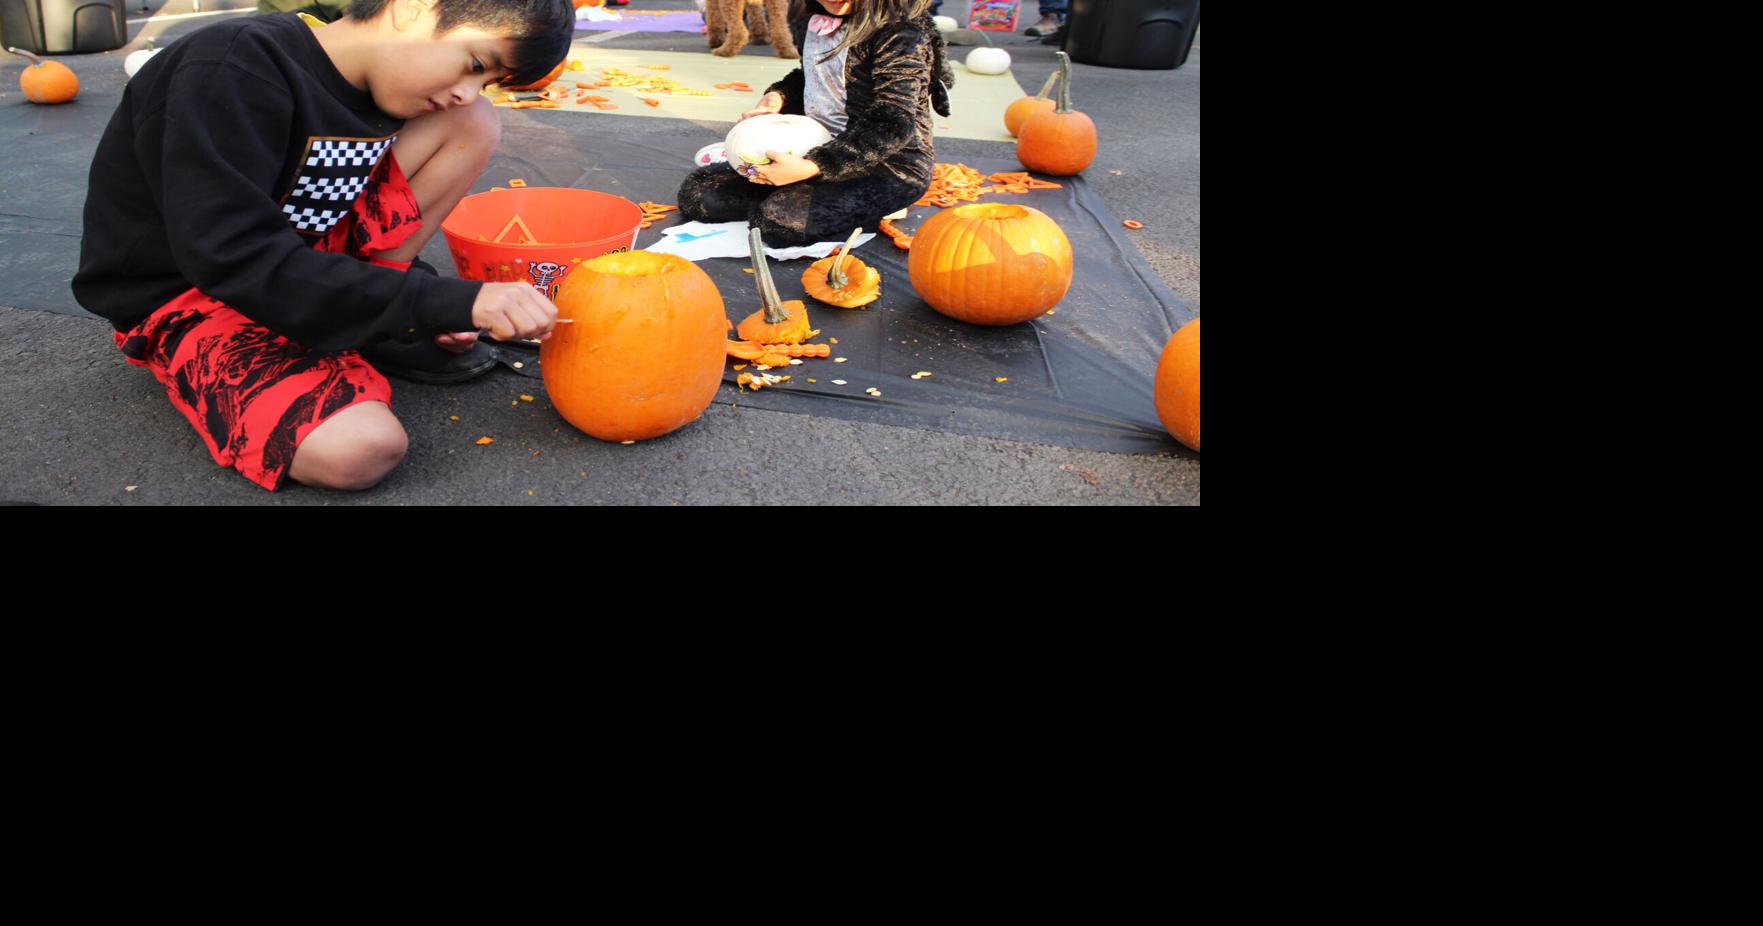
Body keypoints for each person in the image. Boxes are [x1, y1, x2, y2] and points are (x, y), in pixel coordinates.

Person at [72, 0, 574, 493]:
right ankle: (351, 318)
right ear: (412, 7)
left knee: (473, 123)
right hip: (198, 295)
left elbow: (325, 220)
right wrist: (441, 301)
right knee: (360, 449)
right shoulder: (231, 67)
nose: (467, 92)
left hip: (299, 266)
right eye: (477, 64)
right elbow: (232, 258)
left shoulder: (396, 90)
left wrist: (419, 305)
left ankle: (373, 319)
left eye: (486, 82)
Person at [676, 0, 953, 248]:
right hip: (815, 147)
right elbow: (811, 75)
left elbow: (892, 120)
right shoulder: (809, 16)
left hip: (885, 163)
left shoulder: (900, 31)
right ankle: (799, 191)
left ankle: (870, 206)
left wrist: (812, 166)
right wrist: (779, 97)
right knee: (700, 194)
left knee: (779, 221)